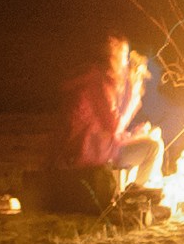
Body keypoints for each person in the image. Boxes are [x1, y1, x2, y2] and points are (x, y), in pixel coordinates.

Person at [62, 31, 164, 207]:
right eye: (124, 57)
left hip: (96, 149)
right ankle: (134, 195)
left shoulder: (99, 79)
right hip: (90, 154)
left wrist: (134, 134)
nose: (126, 64)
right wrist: (133, 90)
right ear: (112, 58)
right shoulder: (98, 83)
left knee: (150, 137)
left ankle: (132, 190)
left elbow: (109, 128)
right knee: (153, 148)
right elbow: (113, 127)